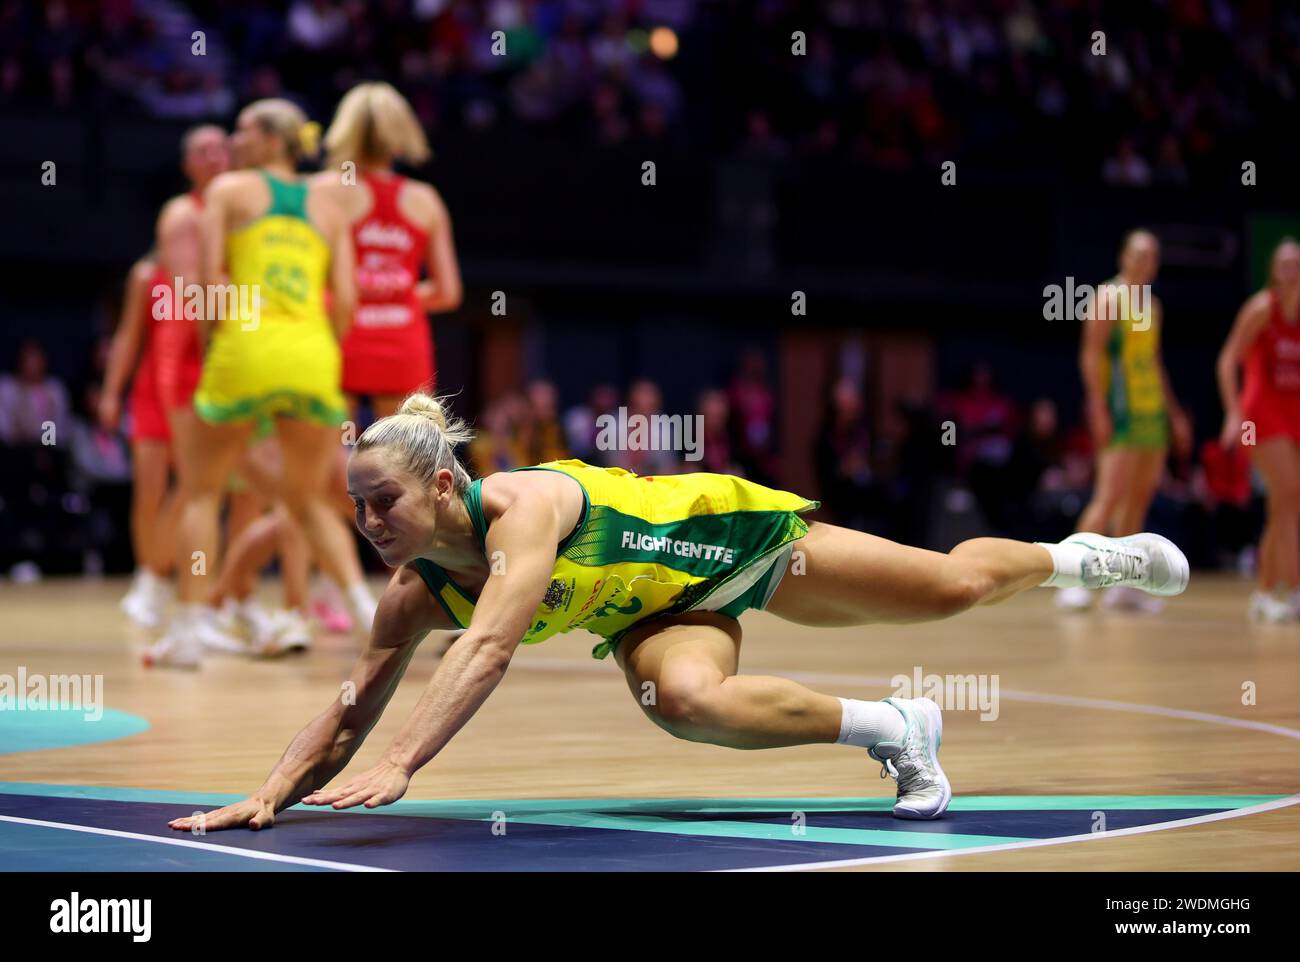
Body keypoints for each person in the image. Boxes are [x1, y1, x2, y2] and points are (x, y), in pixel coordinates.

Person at [167, 394, 1188, 832]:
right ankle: (898, 728)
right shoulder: (413, 589)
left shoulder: (524, 511)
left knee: (953, 587)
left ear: (442, 487)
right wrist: (270, 792)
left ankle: (1083, 553)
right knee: (681, 700)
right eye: (356, 504)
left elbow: (489, 647)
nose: (366, 519)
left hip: (736, 544)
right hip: (662, 609)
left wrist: (408, 761)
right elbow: (350, 706)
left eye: (381, 499)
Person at [147, 98, 373, 667]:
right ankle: (365, 610)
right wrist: (320, 348)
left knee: (202, 492)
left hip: (243, 349)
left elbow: (207, 285)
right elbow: (346, 300)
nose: (235, 139)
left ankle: (189, 633)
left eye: (244, 130)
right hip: (311, 354)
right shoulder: (331, 205)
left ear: (274, 140)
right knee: (305, 500)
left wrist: (212, 350)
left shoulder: (226, 192)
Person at [1057, 229, 1191, 613]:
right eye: (1139, 254)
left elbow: (1154, 362)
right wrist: (1097, 407)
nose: (1146, 261)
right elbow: (1090, 354)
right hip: (1120, 411)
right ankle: (1073, 578)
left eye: (1152, 255)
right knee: (1108, 497)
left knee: (1138, 501)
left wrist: (1174, 414)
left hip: (1151, 413)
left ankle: (1125, 586)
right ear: (1123, 257)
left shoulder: (1153, 306)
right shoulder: (1107, 297)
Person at [1216, 237, 1300, 621]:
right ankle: (1292, 591)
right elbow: (1227, 359)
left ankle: (1266, 592)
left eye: (1296, 264)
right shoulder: (1261, 309)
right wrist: (1233, 413)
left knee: (1284, 508)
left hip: (1292, 414)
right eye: (1284, 264)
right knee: (1289, 495)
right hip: (1257, 416)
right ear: (1273, 270)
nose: (1290, 271)